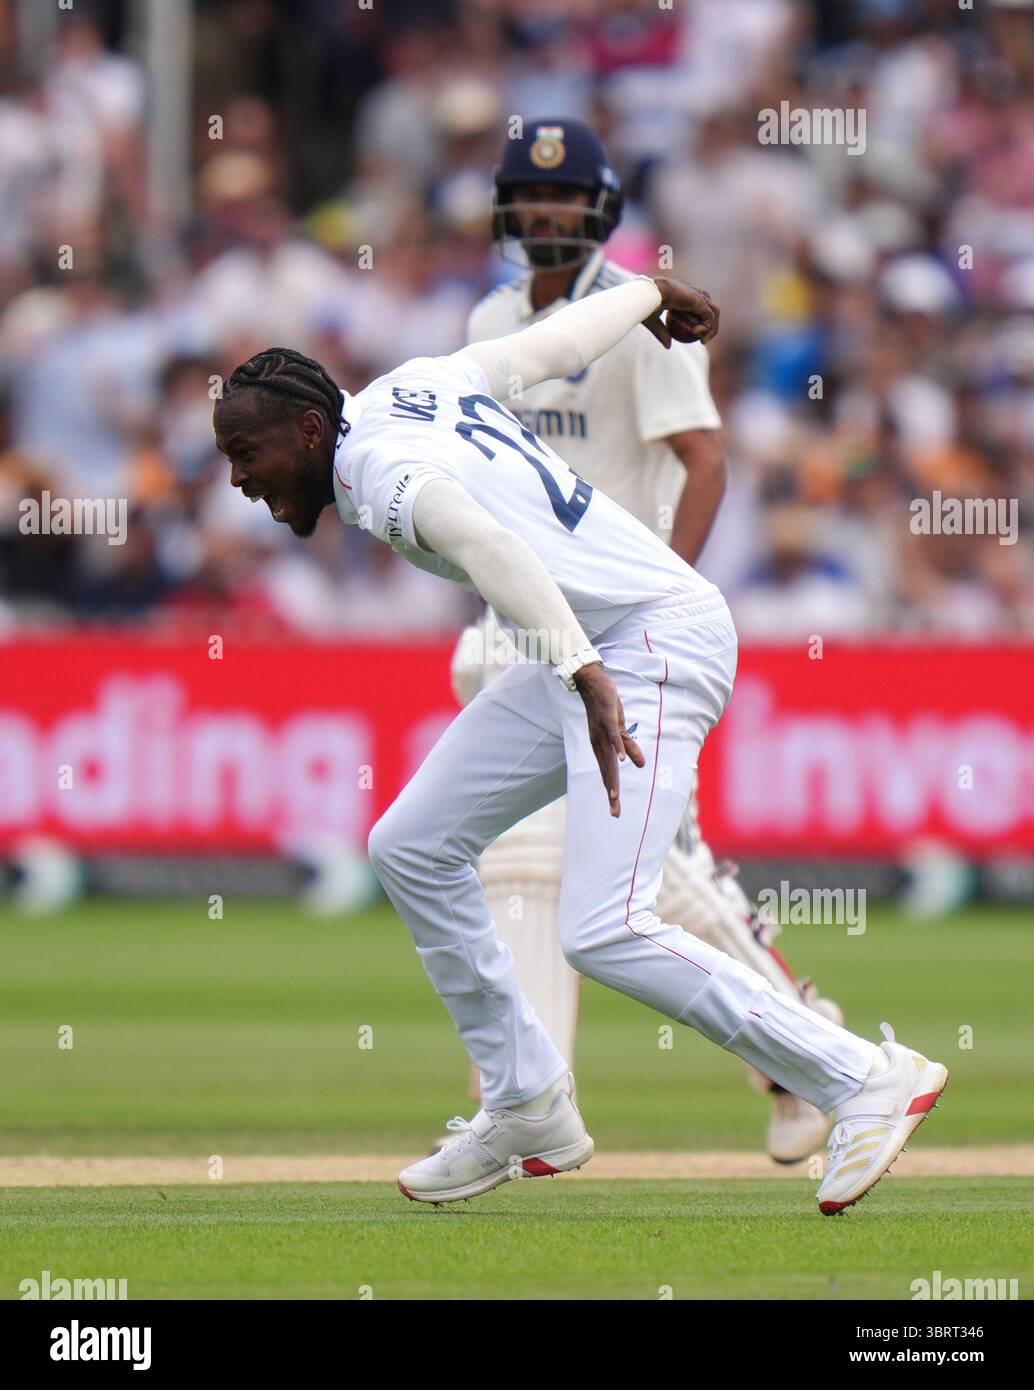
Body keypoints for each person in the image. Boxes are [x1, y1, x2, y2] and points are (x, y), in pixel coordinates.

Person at [212, 272, 948, 1214]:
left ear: (310, 432)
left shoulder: (382, 474)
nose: (240, 477)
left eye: (246, 451)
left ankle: (862, 1078)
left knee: (604, 926)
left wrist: (583, 674)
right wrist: (646, 292)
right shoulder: (408, 387)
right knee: (411, 845)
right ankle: (527, 1101)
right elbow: (546, 351)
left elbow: (486, 546)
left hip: (645, 645)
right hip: (596, 647)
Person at [450, 117, 845, 1163]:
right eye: (527, 199)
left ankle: (792, 1049)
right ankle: (541, 1108)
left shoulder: (634, 312)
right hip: (526, 627)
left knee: (617, 872)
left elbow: (704, 462)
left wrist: (660, 595)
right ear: (503, 210)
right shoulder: (492, 316)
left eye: (563, 198)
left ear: (600, 208)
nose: (543, 214)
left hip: (621, 623)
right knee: (550, 864)